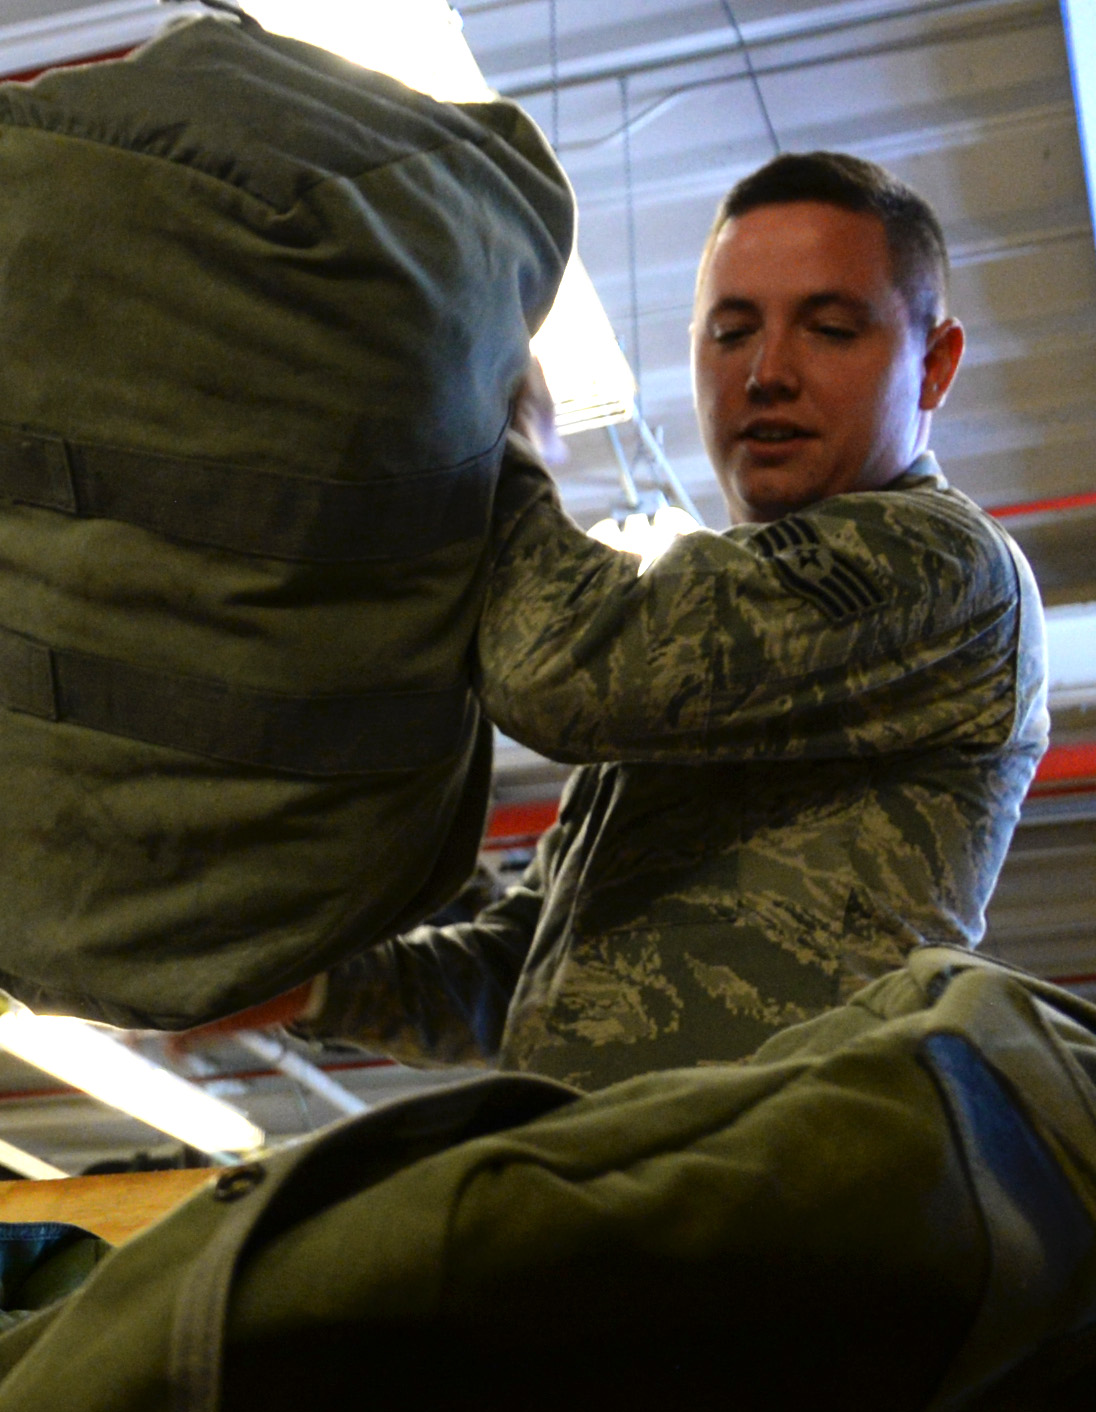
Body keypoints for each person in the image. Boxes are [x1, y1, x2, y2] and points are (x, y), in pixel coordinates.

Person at [296, 149, 1049, 1087]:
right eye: (731, 333)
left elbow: (553, 670)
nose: (766, 373)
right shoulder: (686, 640)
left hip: (767, 1164)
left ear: (934, 365)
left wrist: (486, 413)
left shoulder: (944, 567)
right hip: (595, 1163)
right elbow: (512, 977)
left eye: (829, 329)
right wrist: (305, 987)